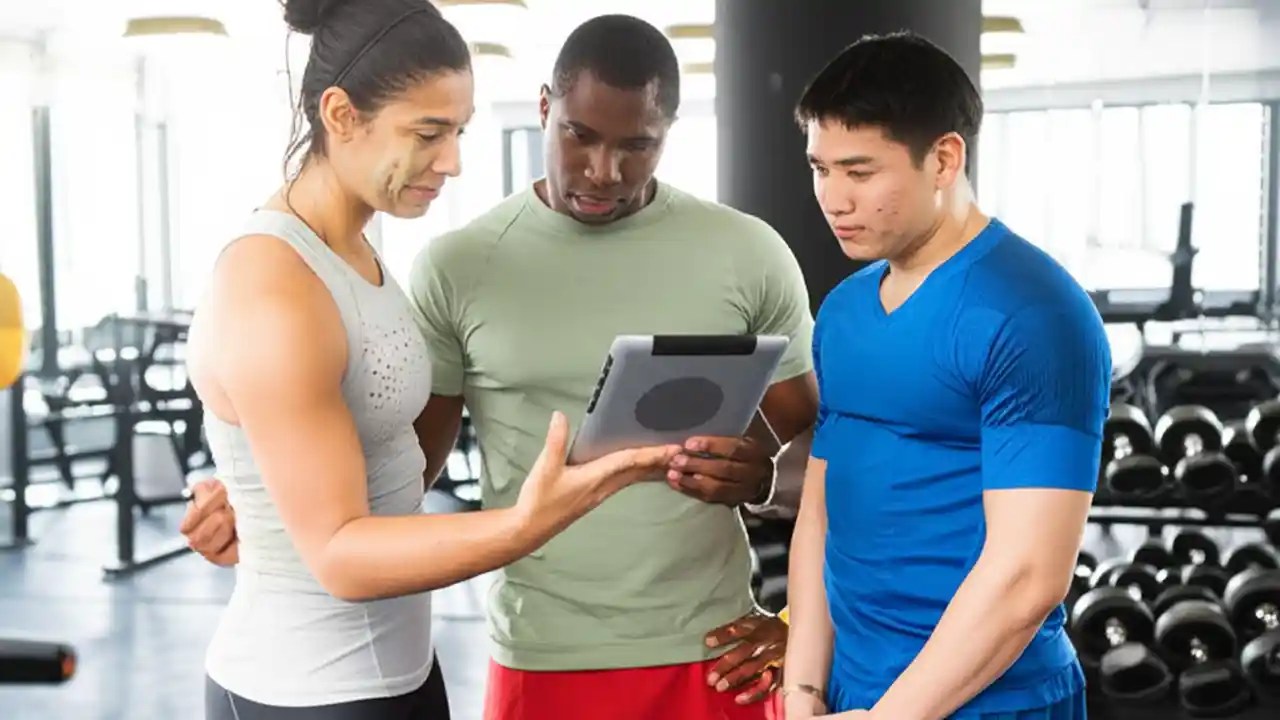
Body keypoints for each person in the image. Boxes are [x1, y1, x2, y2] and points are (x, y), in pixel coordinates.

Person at [183, 13, 820, 720]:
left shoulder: (361, 261)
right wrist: (268, 490)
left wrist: (790, 588)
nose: (604, 170)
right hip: (506, 657)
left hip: (695, 646)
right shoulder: (441, 266)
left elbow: (381, 466)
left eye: (637, 144)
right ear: (548, 110)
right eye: (429, 134)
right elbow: (369, 512)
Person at [781, 33, 1110, 720]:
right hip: (851, 695)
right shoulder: (843, 311)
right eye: (820, 168)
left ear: (943, 158)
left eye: (860, 172)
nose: (832, 198)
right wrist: (803, 687)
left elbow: (1029, 577)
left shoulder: (1034, 312)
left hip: (991, 703)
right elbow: (821, 510)